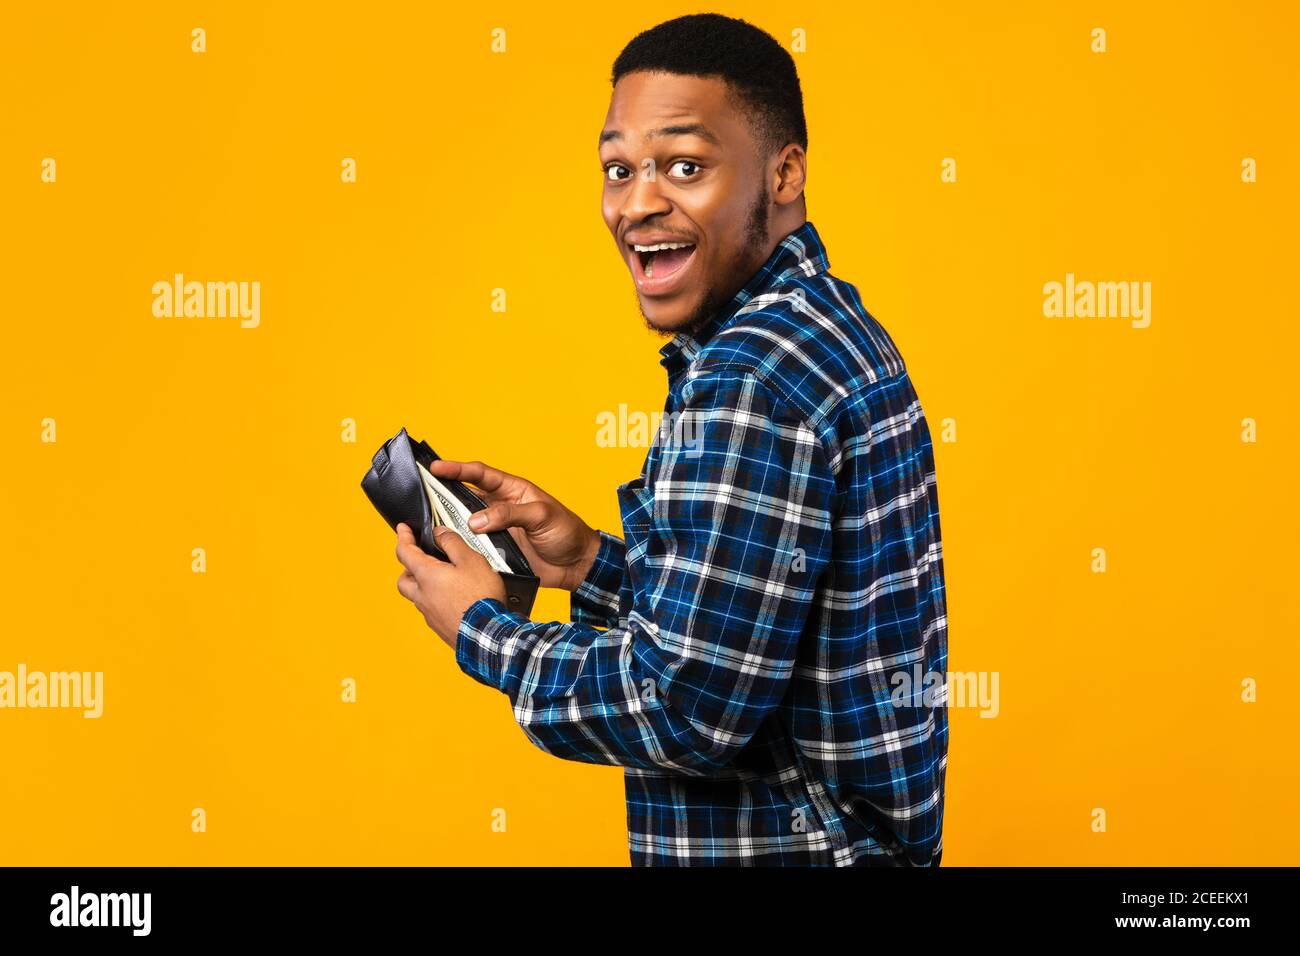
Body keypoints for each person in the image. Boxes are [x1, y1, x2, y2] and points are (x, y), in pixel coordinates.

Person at [394, 13, 949, 866]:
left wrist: (482, 631)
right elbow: (751, 645)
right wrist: (587, 565)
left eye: (685, 166)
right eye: (619, 169)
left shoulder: (751, 379)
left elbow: (686, 710)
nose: (639, 201)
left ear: (786, 172)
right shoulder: (830, 331)